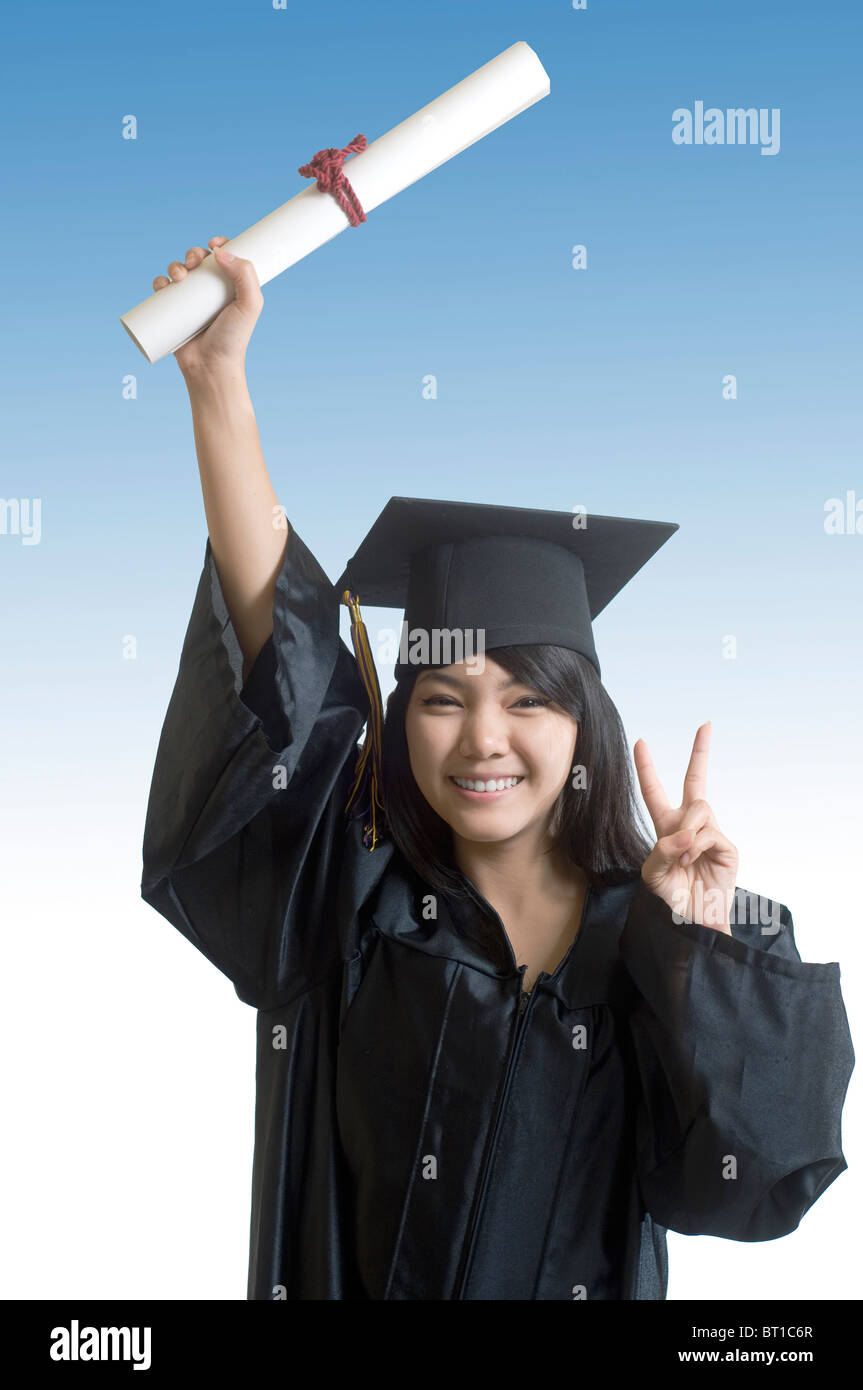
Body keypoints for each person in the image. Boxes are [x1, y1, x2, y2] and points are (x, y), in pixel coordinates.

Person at [141, 239, 854, 1301]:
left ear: (583, 726)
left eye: (526, 700)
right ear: (400, 721)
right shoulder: (350, 902)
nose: (483, 737)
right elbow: (281, 665)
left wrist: (704, 945)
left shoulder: (648, 947)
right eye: (441, 698)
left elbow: (739, 1188)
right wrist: (217, 384)